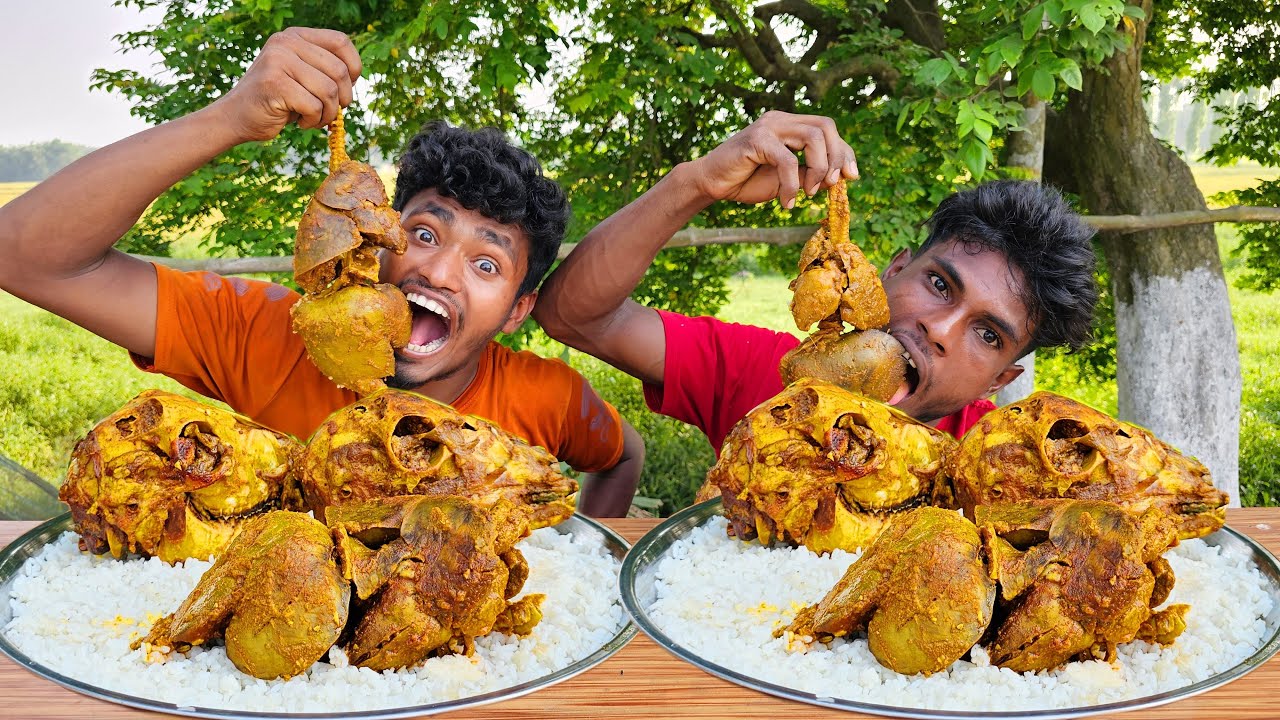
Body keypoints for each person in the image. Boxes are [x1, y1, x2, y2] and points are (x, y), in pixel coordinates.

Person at [0, 27, 642, 517]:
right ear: (379, 240)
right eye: (423, 233)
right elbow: (23, 256)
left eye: (485, 262)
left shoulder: (549, 401)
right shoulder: (266, 331)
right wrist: (229, 119)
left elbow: (624, 457)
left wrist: (590, 561)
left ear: (515, 310)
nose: (439, 272)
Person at [533, 110, 1098, 458]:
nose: (940, 328)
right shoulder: (772, 372)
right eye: (940, 285)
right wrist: (697, 182)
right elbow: (572, 316)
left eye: (989, 335)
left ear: (997, 382)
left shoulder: (998, 464)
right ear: (891, 272)